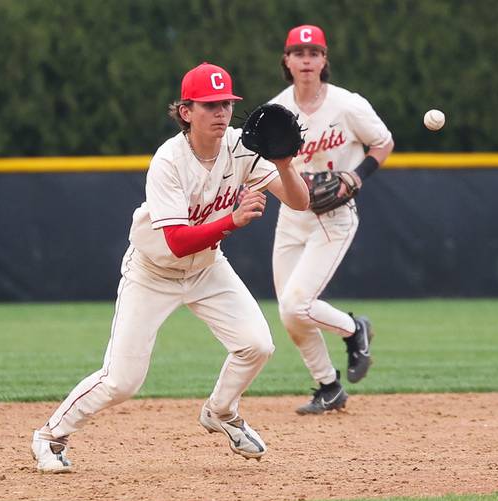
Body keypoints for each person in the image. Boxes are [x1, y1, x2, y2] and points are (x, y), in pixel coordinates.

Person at [31, 62, 309, 472]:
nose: (221, 113)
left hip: (207, 268)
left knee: (257, 345)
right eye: (210, 105)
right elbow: (176, 242)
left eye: (226, 104)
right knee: (122, 380)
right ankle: (50, 436)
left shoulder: (242, 148)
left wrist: (285, 164)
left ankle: (221, 411)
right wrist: (230, 220)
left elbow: (299, 202)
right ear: (185, 111)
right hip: (153, 273)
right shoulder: (169, 160)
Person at [269, 25, 395, 415]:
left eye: (314, 53)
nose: (306, 60)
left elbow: (383, 142)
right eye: (298, 52)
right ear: (286, 61)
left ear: (324, 61)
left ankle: (353, 330)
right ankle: (329, 386)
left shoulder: (347, 104)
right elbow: (261, 164)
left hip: (335, 216)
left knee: (296, 303)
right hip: (292, 216)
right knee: (290, 313)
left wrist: (357, 176)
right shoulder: (277, 110)